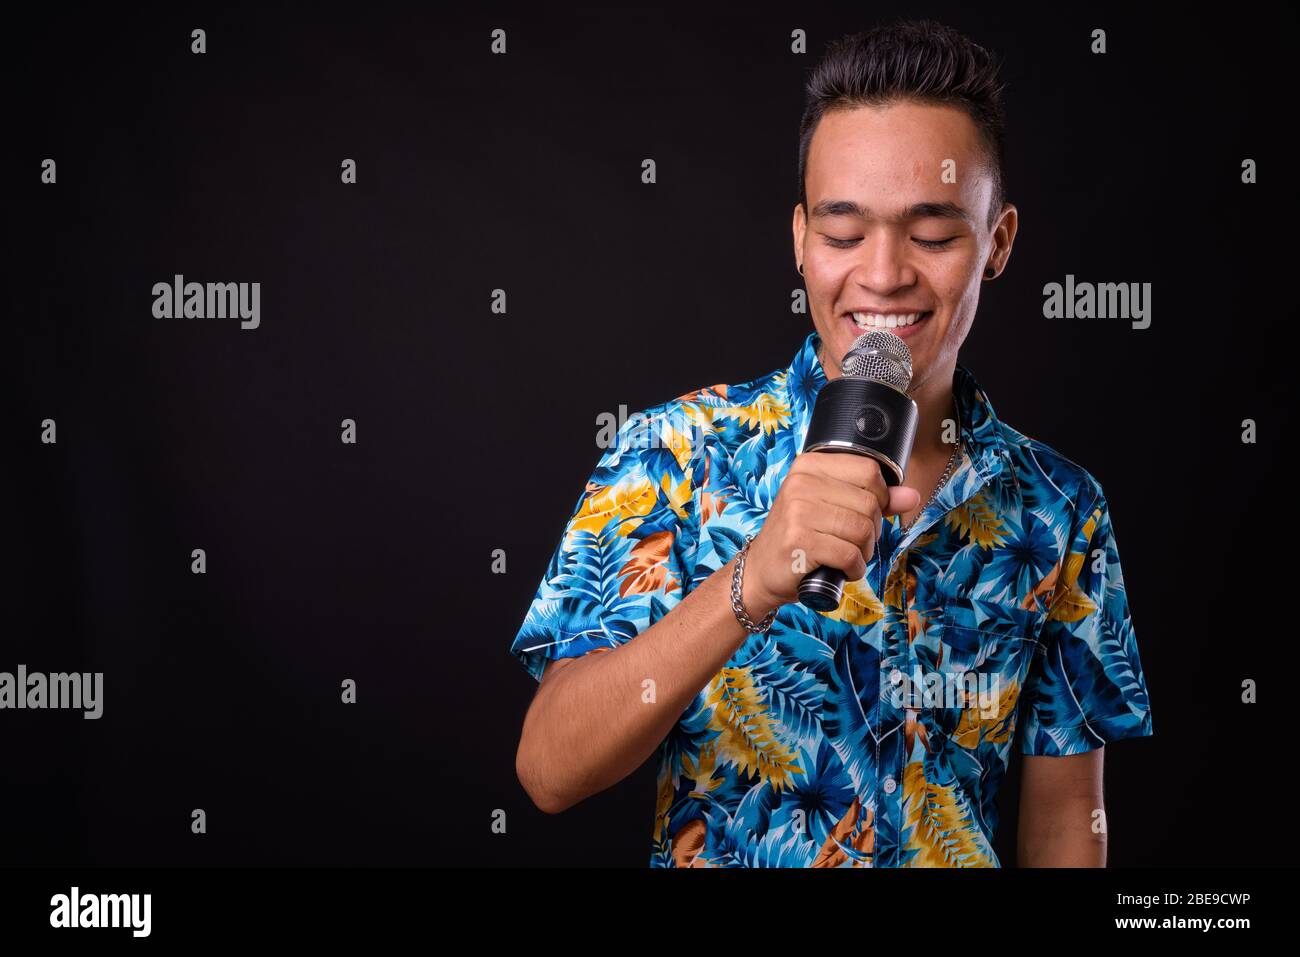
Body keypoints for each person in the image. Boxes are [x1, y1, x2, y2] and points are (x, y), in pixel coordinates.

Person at [510, 18, 1152, 867]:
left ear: (996, 243)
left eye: (932, 233)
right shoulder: (673, 451)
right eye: (845, 233)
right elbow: (550, 769)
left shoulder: (1061, 509)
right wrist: (753, 577)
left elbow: (1068, 820)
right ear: (801, 240)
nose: (882, 275)